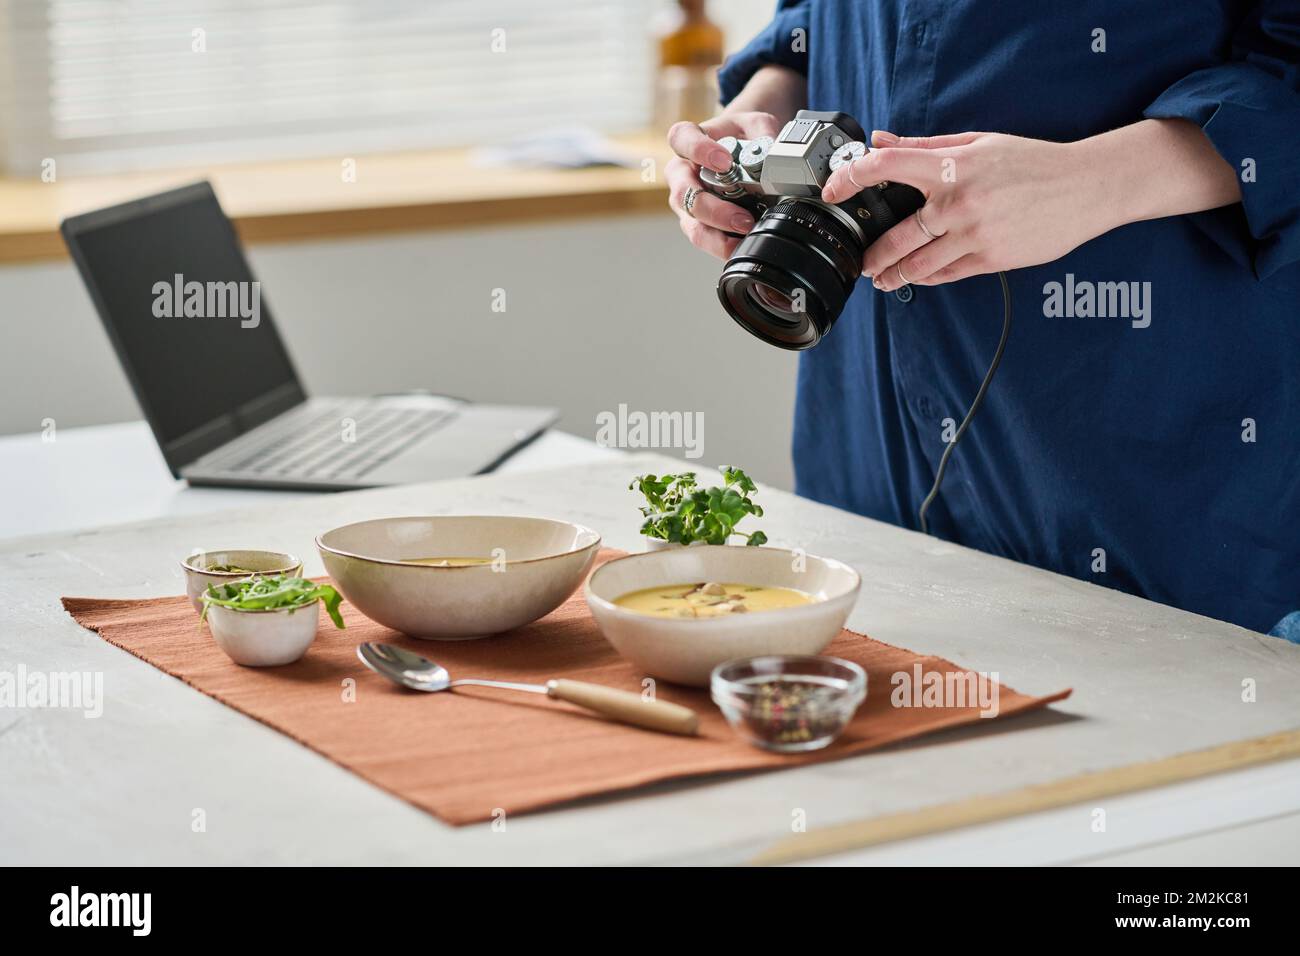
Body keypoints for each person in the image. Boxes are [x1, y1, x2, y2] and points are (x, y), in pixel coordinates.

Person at [665, 1, 1300, 637]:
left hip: (1149, 491)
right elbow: (812, 23)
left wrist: (1088, 181)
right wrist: (753, 127)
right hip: (863, 462)